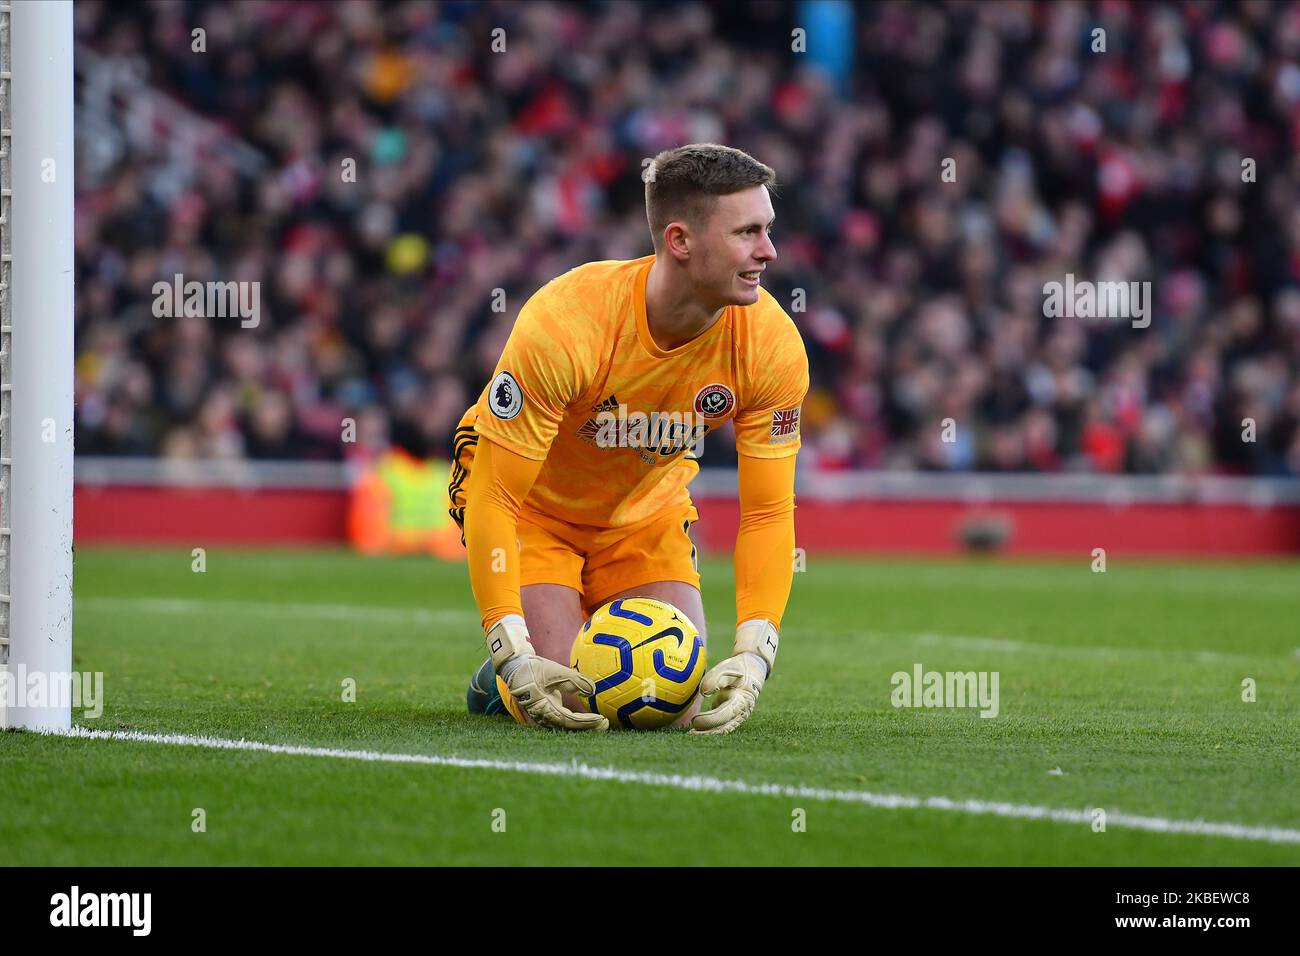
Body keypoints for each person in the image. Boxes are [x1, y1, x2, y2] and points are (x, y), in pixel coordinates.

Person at [450, 143, 807, 734]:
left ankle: (569, 629)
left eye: (768, 230)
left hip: (645, 515)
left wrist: (755, 648)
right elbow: (495, 496)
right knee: (567, 700)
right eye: (748, 233)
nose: (769, 251)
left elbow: (769, 511)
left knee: (674, 705)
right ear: (680, 241)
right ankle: (494, 680)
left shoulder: (770, 345)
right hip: (532, 513)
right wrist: (510, 649)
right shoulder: (569, 324)